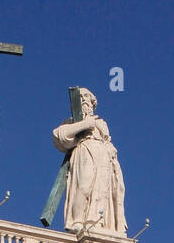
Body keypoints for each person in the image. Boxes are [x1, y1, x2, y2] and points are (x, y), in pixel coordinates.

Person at [52, 88, 126, 234]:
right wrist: (85, 124)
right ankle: (77, 220)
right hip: (85, 149)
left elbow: (108, 141)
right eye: (80, 97)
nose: (83, 99)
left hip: (104, 154)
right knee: (85, 185)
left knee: (103, 190)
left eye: (86, 96)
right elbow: (59, 136)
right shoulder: (73, 121)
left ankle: (97, 223)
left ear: (92, 102)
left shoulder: (101, 123)